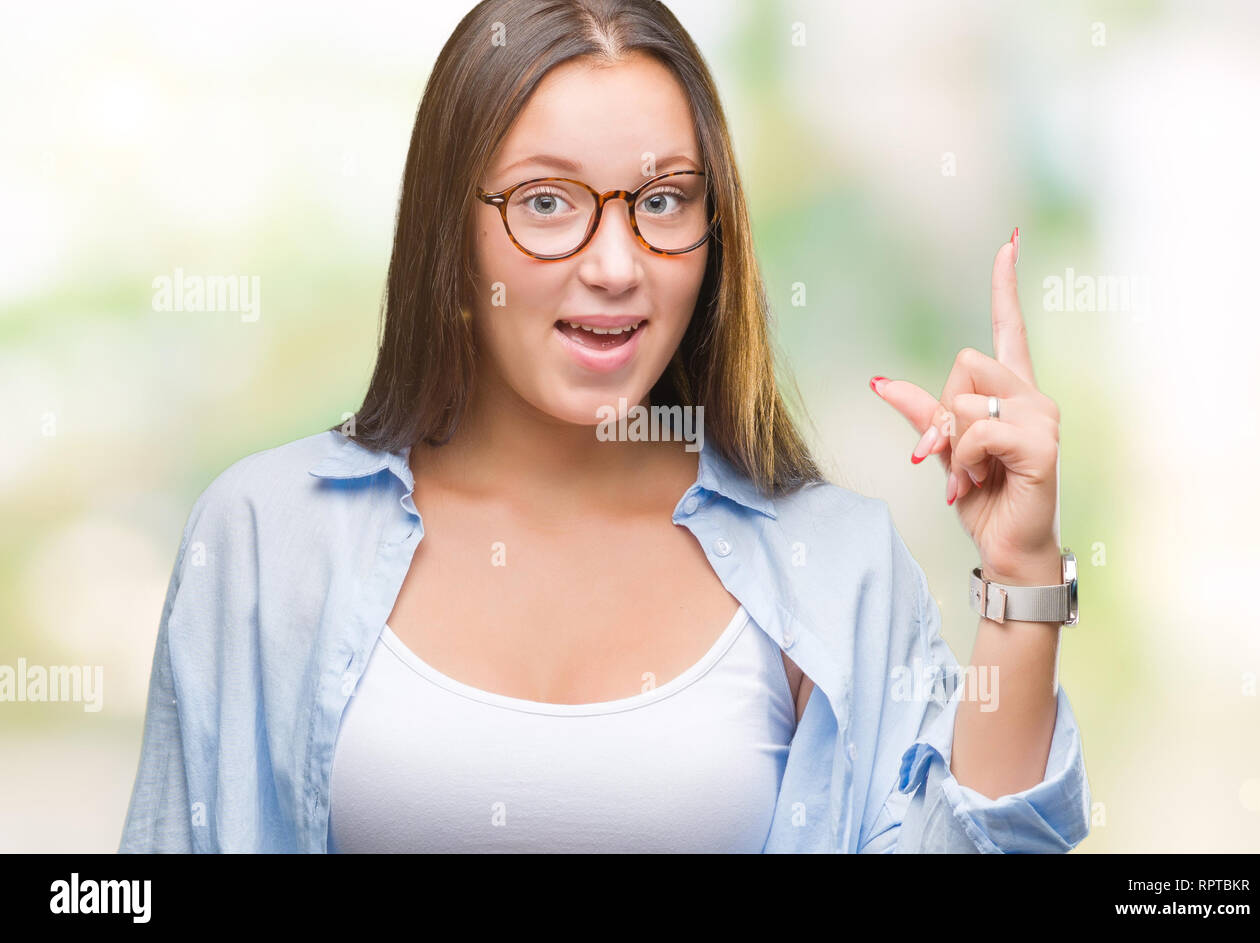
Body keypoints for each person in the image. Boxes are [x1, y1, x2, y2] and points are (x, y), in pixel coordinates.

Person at [119, 0, 1089, 853]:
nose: (618, 265)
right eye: (548, 202)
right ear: (448, 228)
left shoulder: (837, 561)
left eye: (664, 199)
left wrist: (1021, 579)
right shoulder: (263, 534)